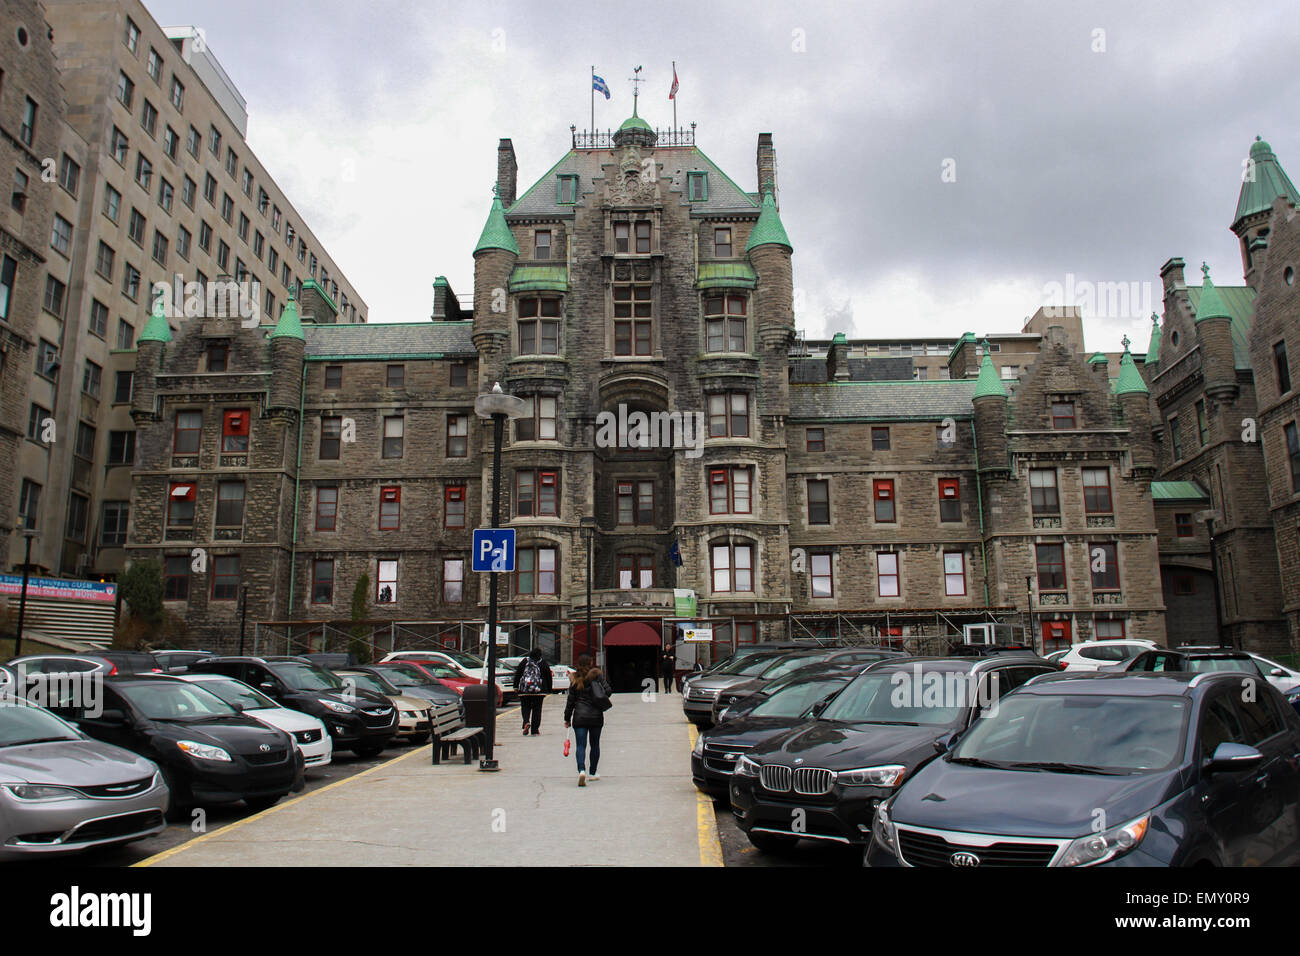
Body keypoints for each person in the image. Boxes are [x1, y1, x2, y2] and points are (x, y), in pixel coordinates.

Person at [564, 654, 611, 786]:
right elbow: (608, 691)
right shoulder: (597, 676)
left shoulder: (574, 678)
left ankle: (581, 770)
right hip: (596, 715)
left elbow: (570, 702)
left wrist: (567, 718)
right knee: (594, 745)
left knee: (580, 745)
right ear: (591, 663)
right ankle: (593, 773)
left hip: (579, 716)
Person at [514, 647, 553, 736]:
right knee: (537, 709)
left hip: (525, 690)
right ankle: (535, 730)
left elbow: (518, 674)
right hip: (539, 691)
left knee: (525, 707)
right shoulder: (543, 663)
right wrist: (549, 690)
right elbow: (548, 677)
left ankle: (526, 722)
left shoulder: (524, 662)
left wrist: (515, 686)